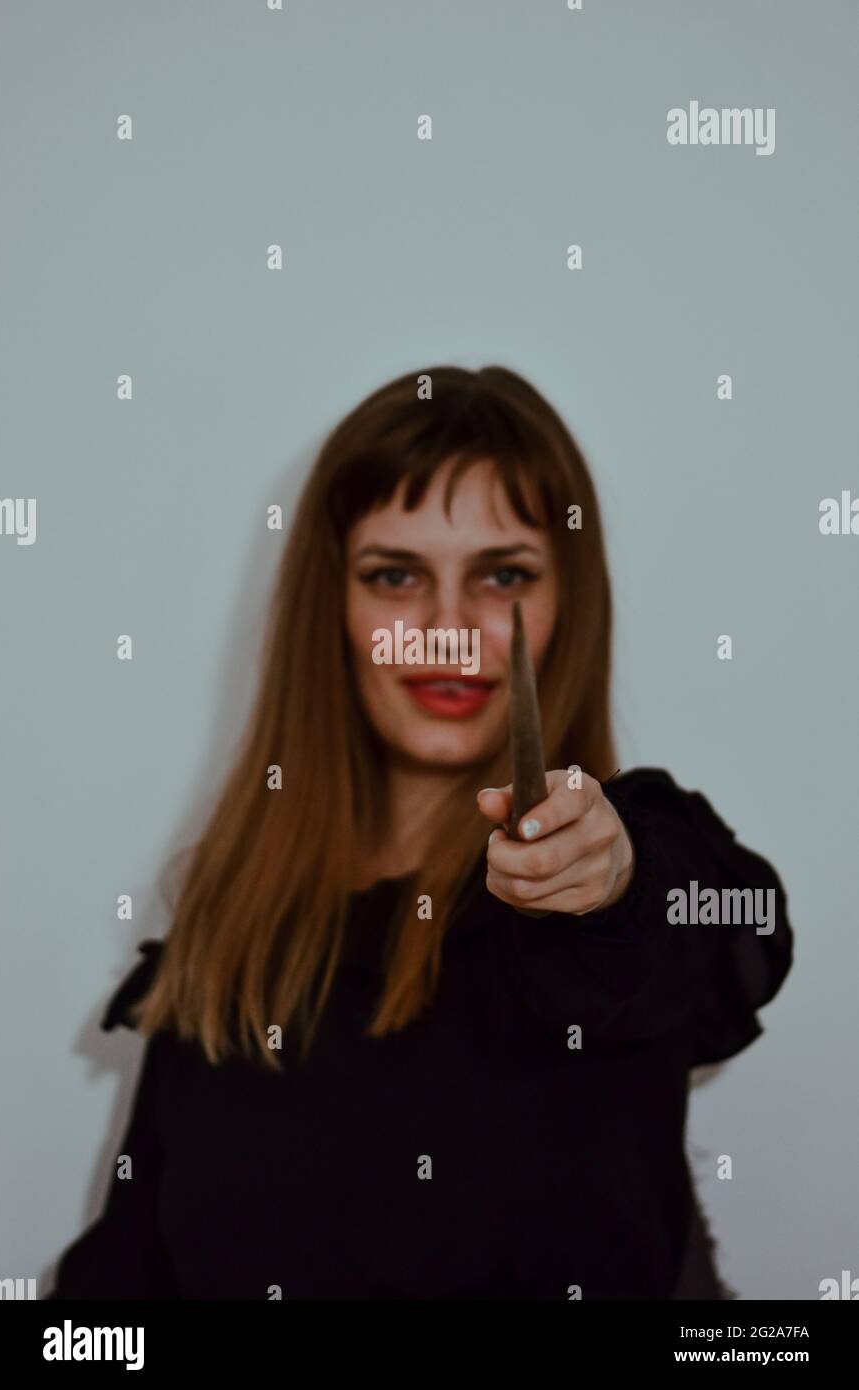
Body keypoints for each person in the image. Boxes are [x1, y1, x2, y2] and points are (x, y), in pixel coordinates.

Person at [49, 365, 793, 1300]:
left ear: (570, 604)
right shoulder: (235, 940)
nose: (447, 630)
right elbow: (117, 1298)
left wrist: (610, 879)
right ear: (335, 607)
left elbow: (726, 921)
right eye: (395, 575)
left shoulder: (620, 906)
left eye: (503, 576)